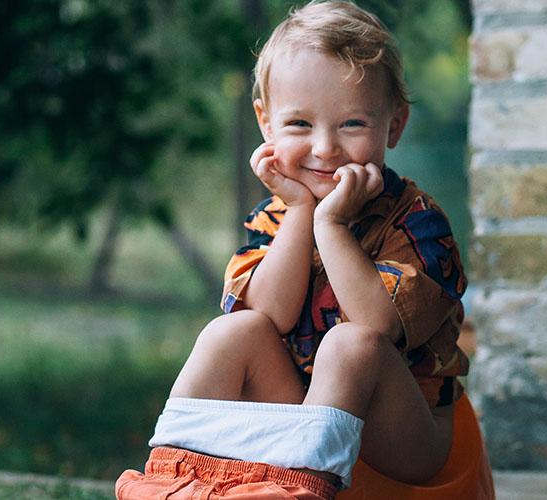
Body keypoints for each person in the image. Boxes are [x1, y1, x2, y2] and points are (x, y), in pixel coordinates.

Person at [116, 2, 491, 499]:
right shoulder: (272, 217)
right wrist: (298, 213)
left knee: (349, 344)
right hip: (304, 427)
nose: (325, 148)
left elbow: (377, 328)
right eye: (299, 125)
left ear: (393, 126)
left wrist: (330, 223)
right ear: (266, 124)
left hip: (410, 439)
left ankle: (294, 490)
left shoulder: (419, 221)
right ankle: (171, 480)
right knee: (234, 330)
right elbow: (269, 316)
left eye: (352, 124)